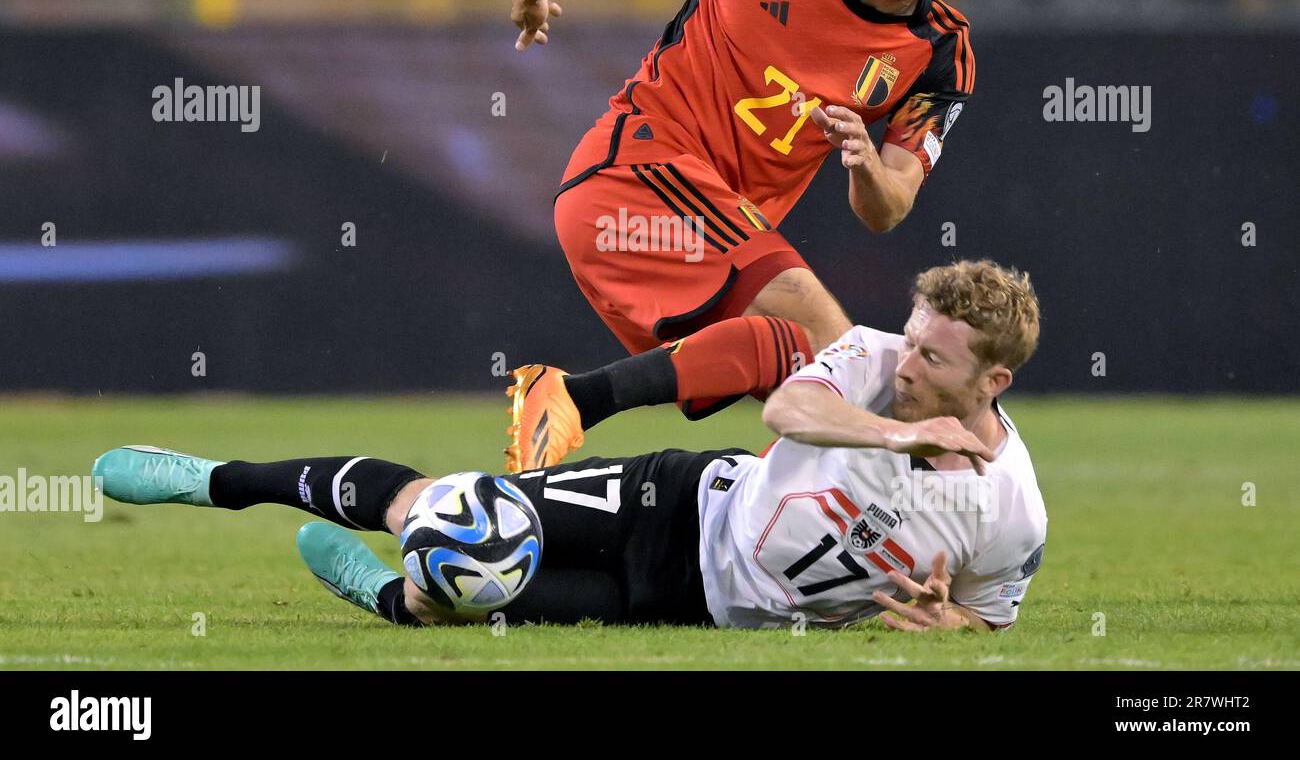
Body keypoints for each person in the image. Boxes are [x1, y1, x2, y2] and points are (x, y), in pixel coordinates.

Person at [93, 260, 1046, 633]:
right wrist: (899, 429)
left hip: (697, 615)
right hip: (678, 505)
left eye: (935, 358)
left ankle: (388, 592)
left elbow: (989, 621)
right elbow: (786, 413)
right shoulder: (875, 362)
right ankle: (215, 479)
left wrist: (945, 625)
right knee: (453, 509)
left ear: (993, 382)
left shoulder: (1012, 510)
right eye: (912, 338)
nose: (909, 360)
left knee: (457, 599)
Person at [504, 0, 989, 470]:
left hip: (706, 228)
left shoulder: (939, 53)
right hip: (631, 173)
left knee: (806, 368)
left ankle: (755, 530)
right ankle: (577, 402)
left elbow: (887, 207)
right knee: (837, 349)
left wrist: (867, 165)